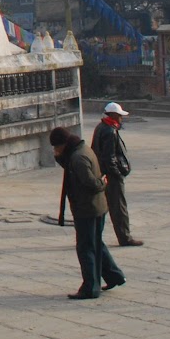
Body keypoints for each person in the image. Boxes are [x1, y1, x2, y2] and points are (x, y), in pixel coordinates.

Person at [50, 127, 125, 299]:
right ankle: (114, 276)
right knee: (96, 243)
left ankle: (90, 287)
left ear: (62, 145)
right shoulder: (80, 150)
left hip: (87, 209)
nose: (55, 150)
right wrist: (58, 156)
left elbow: (91, 182)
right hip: (95, 206)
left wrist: (102, 183)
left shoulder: (78, 158)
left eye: (56, 147)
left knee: (86, 248)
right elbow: (69, 165)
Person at [90, 103, 143, 247]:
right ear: (113, 115)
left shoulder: (101, 127)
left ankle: (93, 237)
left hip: (102, 174)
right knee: (118, 208)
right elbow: (109, 157)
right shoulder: (109, 131)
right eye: (119, 116)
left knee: (103, 207)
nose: (121, 119)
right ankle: (124, 237)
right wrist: (117, 174)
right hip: (111, 176)